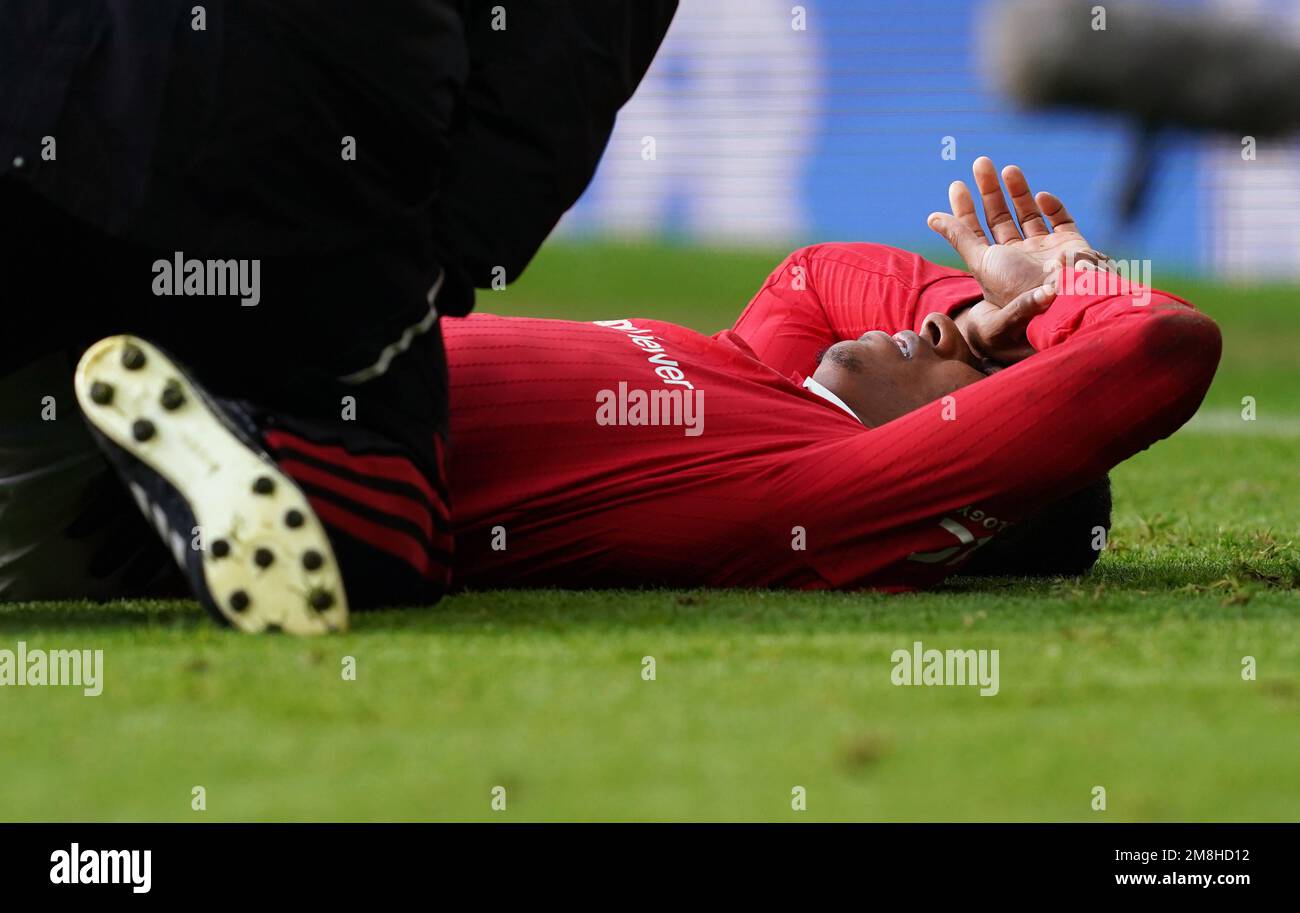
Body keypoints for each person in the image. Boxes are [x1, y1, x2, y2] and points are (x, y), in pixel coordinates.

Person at [0, 1, 677, 632]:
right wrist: (433, 267)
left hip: (26, 91)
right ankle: (272, 444)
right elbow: (568, 55)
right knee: (398, 511)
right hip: (275, 131)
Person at [442, 160, 1221, 590]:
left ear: (968, 489)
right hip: (351, 346)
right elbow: (817, 274)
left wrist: (1066, 283)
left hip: (350, 440)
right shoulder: (770, 382)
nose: (940, 327)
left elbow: (1166, 347)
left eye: (979, 371)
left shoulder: (821, 489)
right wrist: (1000, 308)